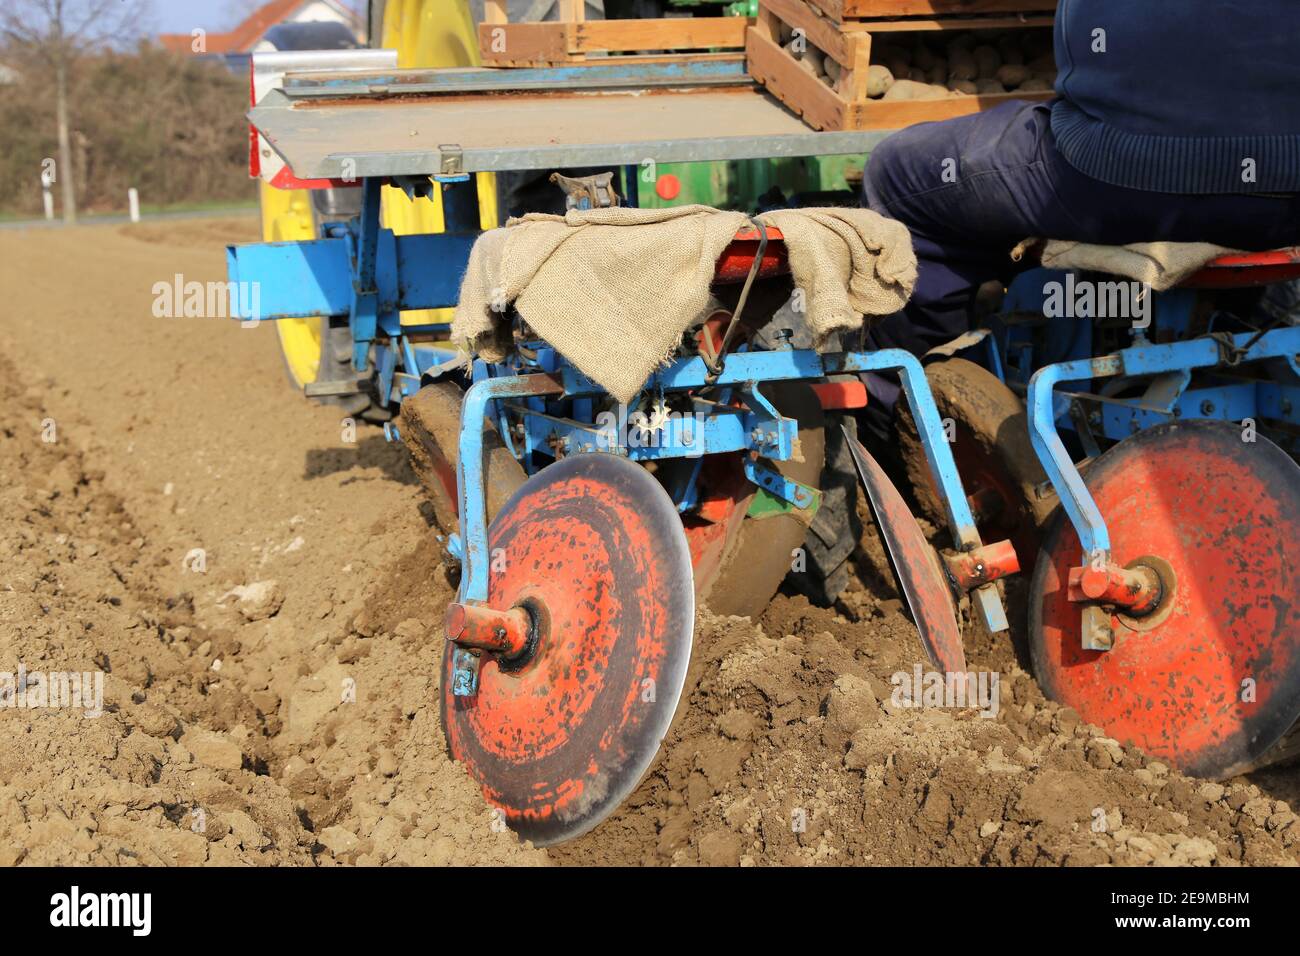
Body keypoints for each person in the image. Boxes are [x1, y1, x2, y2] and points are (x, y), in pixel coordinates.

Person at [861, 0, 1300, 368]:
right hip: (1287, 193)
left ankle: (907, 426)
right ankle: (1227, 327)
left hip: (1120, 173)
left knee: (899, 177)